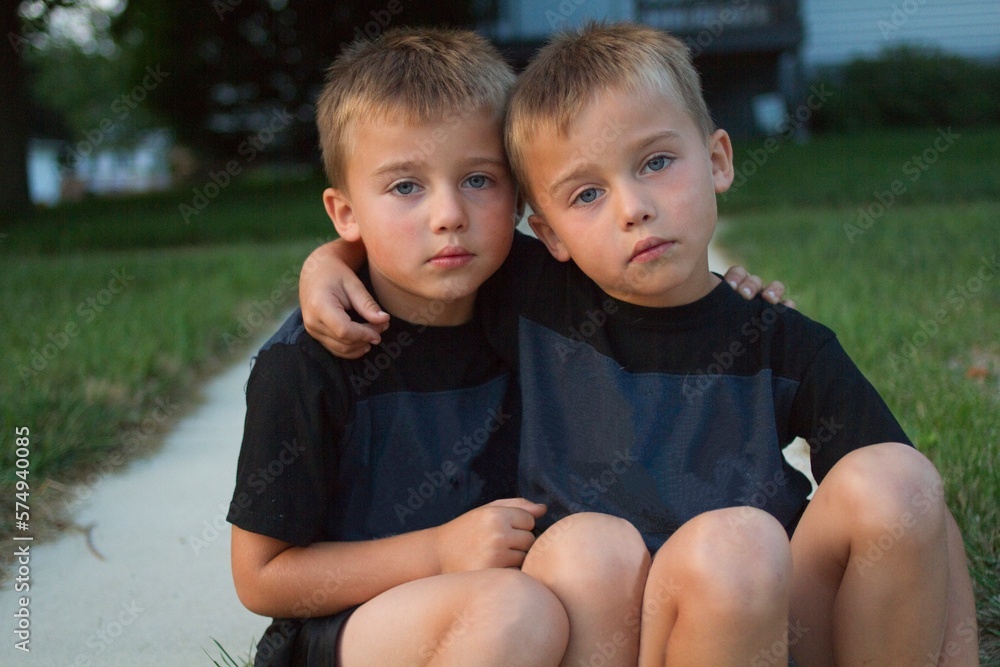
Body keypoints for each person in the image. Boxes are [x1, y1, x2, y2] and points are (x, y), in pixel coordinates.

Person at [299, 22, 980, 667]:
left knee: (893, 479)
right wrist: (329, 262)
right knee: (616, 546)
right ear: (551, 234)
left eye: (656, 162)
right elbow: (413, 247)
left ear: (717, 160)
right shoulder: (534, 298)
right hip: (609, 620)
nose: (633, 207)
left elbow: (923, 518)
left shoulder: (779, 338)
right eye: (588, 193)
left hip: (768, 613)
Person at [226, 28, 572, 667]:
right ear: (345, 213)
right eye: (405, 187)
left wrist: (739, 296)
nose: (448, 214)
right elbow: (261, 577)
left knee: (589, 565)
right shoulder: (304, 364)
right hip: (349, 629)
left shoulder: (538, 297)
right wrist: (439, 552)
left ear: (519, 194)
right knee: (512, 608)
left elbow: (647, 288)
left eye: (478, 179)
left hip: (513, 610)